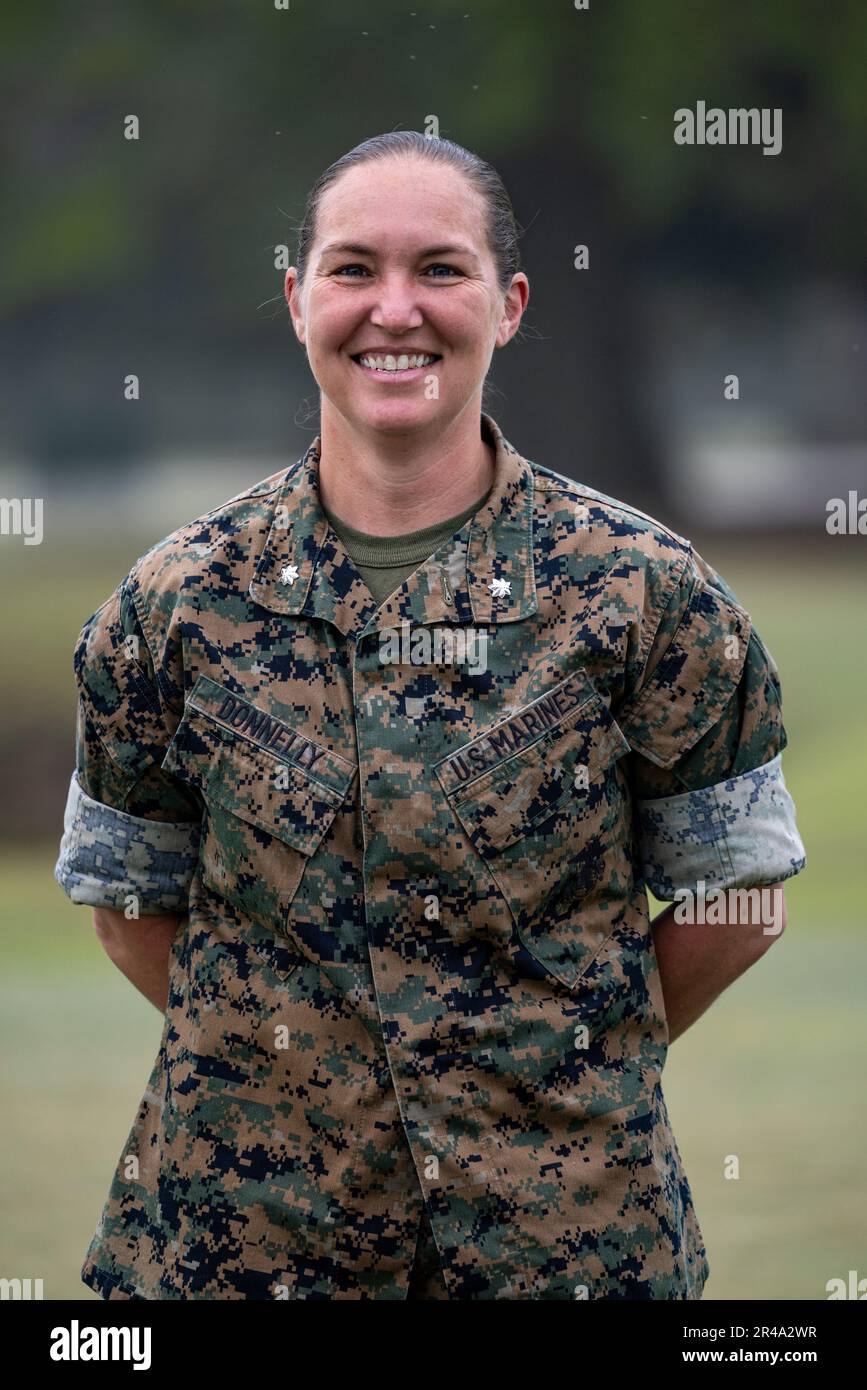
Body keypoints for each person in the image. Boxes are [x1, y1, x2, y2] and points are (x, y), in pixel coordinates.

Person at [55, 131, 806, 1301]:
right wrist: (305, 1071)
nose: (393, 310)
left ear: (507, 305)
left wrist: (559, 1062)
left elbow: (739, 896)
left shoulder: (641, 591)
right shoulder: (177, 603)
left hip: (566, 1249)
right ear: (299, 297)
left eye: (440, 271)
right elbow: (125, 899)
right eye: (354, 270)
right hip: (241, 1249)